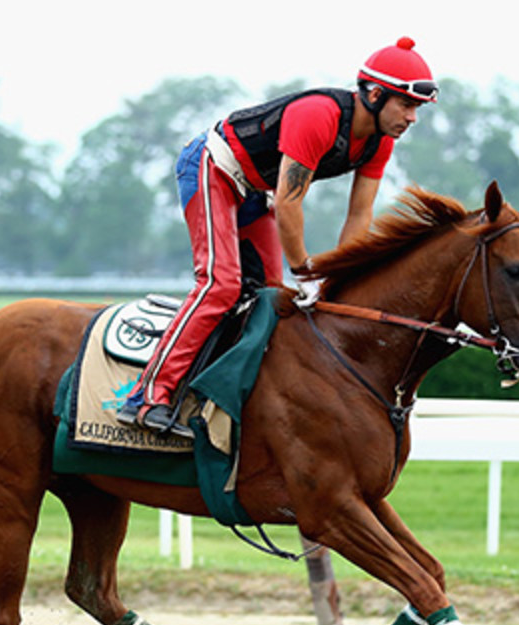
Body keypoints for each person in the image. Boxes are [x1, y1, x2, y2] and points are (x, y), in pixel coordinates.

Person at [117, 36, 438, 437]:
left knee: (274, 300)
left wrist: (337, 277)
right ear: (374, 94)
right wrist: (306, 271)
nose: (412, 118)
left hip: (253, 192)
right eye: (407, 105)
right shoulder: (319, 115)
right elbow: (289, 203)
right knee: (221, 284)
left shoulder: (380, 142)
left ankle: (227, 399)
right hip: (212, 168)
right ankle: (147, 397)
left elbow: (359, 215)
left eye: (417, 109)